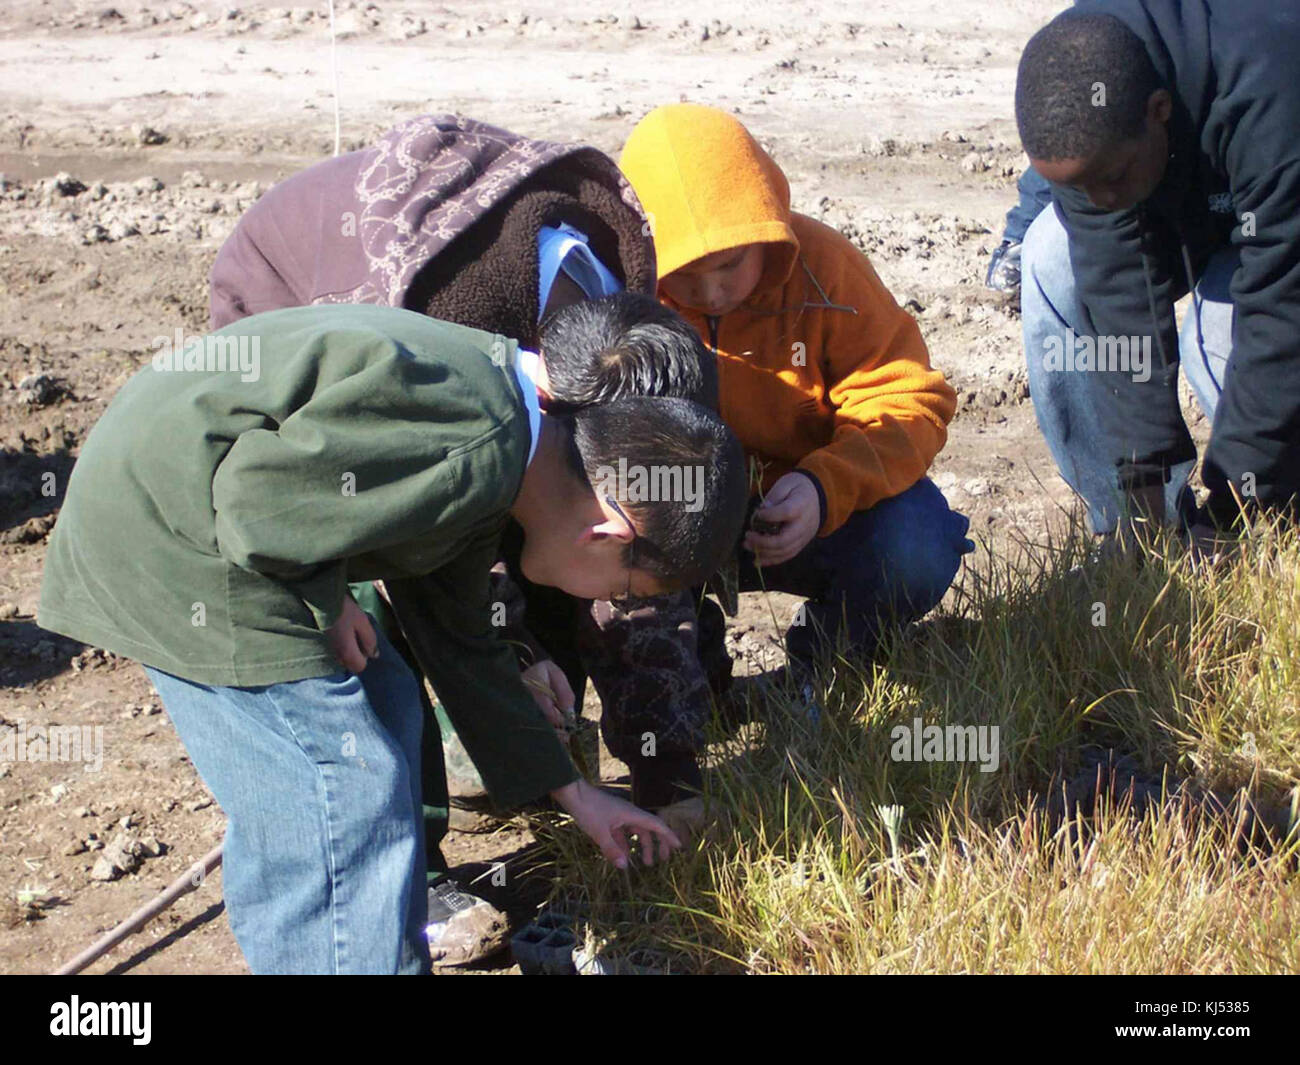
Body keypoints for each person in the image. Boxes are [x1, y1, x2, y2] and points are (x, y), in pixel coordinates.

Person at [37, 299, 748, 973]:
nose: (611, 602)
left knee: (388, 708)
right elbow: (257, 504)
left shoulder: (515, 446)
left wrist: (577, 795)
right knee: (345, 785)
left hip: (208, 518)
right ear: (608, 533)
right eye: (626, 590)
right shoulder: (473, 435)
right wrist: (321, 593)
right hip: (176, 534)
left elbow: (459, 635)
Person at [209, 113, 721, 962]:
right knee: (373, 641)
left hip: (503, 439)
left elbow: (631, 577)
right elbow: (430, 558)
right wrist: (506, 648)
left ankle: (516, 742)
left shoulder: (636, 384)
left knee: (542, 562)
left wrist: (671, 775)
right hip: (294, 310)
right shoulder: (460, 357)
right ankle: (418, 869)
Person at [598, 103, 973, 809]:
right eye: (689, 270)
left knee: (918, 542)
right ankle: (692, 690)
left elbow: (911, 400)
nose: (711, 291)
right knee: (615, 545)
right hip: (683, 525)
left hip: (805, 511)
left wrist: (824, 487)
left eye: (731, 263)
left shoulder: (826, 268)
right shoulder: (623, 296)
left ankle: (823, 664)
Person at [1015, 2, 1300, 547]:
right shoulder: (1085, 87)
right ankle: (1130, 529)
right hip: (1189, 200)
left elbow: (1283, 304)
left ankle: (1276, 515)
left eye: (1111, 178)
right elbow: (1118, 293)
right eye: (1082, 188)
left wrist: (1229, 511)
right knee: (1050, 252)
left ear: (1158, 109)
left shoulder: (1270, 86)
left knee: (1214, 341)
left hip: (1273, 223)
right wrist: (1142, 479)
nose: (1099, 200)